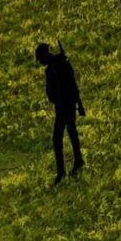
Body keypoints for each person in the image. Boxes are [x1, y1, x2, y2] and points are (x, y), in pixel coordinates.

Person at [37, 41, 85, 181]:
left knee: (66, 134)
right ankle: (65, 168)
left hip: (67, 105)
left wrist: (78, 104)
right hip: (61, 106)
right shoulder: (54, 67)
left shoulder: (59, 65)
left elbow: (72, 85)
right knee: (63, 136)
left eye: (41, 59)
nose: (40, 62)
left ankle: (72, 164)